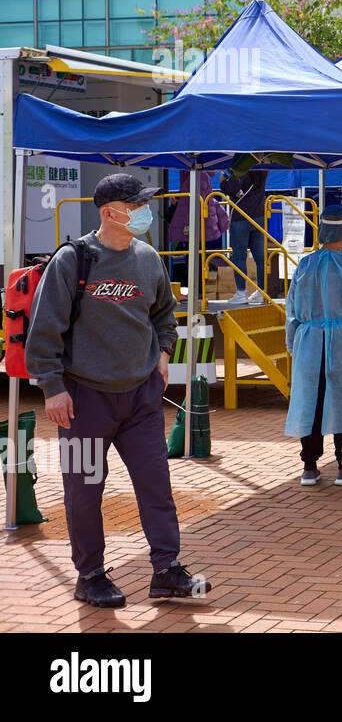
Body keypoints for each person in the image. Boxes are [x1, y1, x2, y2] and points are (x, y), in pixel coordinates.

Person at [26, 173, 211, 608]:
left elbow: (164, 313)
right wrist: (53, 388)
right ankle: (89, 574)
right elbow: (42, 333)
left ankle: (166, 570)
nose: (146, 213)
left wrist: (164, 352)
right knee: (84, 489)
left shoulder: (148, 258)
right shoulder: (73, 261)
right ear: (111, 212)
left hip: (141, 399)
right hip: (82, 400)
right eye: (137, 206)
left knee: (156, 485)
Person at [284, 204, 342, 485]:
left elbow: (292, 311)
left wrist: (292, 345)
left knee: (311, 403)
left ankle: (309, 467)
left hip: (309, 342)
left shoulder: (305, 265)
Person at [168, 170, 228, 285]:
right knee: (200, 256)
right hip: (203, 224)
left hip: (193, 223)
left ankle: (193, 287)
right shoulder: (203, 177)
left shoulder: (193, 176)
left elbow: (190, 203)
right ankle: (199, 288)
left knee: (192, 257)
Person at [220, 167, 269, 304]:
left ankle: (241, 293)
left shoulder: (242, 168)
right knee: (260, 258)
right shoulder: (263, 169)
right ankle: (261, 292)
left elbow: (229, 189)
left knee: (239, 257)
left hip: (241, 218)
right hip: (259, 216)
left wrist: (223, 178)